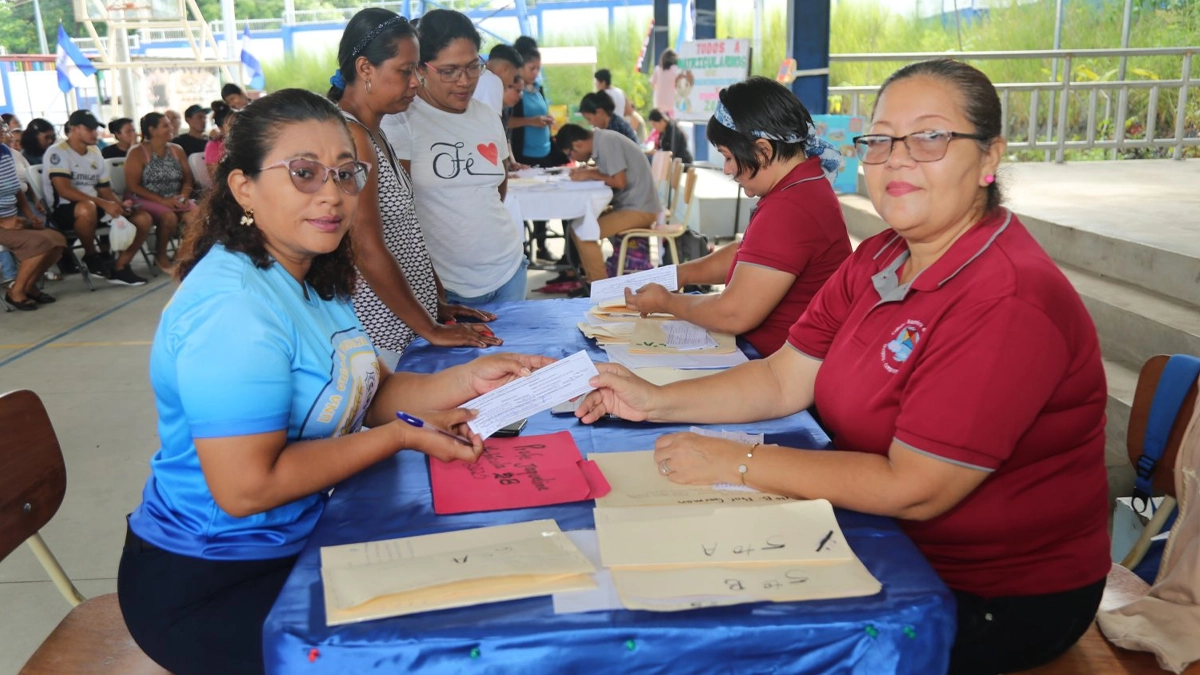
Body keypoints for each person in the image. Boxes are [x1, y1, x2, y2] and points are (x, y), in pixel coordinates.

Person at [576, 59, 1110, 675]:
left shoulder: (1008, 299)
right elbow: (782, 377)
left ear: (989, 159)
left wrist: (737, 462)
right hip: (878, 530)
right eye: (881, 140)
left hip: (986, 591)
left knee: (717, 645)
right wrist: (652, 399)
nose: (897, 159)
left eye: (930, 137)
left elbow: (915, 488)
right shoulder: (881, 257)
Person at [115, 87, 548, 675]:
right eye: (304, 173)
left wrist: (471, 378)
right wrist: (400, 437)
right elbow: (246, 489)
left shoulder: (308, 273)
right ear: (243, 187)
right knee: (439, 647)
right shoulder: (235, 309)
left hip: (295, 541)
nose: (334, 195)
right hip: (215, 580)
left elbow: (369, 393)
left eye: (347, 175)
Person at [625, 78, 850, 356]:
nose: (728, 169)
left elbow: (733, 313)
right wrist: (677, 275)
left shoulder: (790, 207)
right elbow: (747, 255)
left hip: (777, 364)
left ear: (763, 150)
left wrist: (667, 302)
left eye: (729, 157)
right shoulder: (800, 185)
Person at [330, 8, 501, 366]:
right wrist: (431, 328)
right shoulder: (351, 135)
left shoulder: (375, 131)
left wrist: (435, 300)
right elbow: (367, 248)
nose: (415, 83)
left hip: (407, 322)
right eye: (406, 71)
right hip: (382, 332)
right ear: (365, 69)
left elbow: (403, 234)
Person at [381, 9, 527, 306]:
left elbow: (497, 186)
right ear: (420, 68)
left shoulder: (486, 116)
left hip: (509, 271)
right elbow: (399, 216)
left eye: (473, 67)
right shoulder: (401, 121)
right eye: (449, 71)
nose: (465, 81)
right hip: (447, 287)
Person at [43, 110, 152, 285]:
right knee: (87, 207)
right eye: (90, 129)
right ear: (75, 129)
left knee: (143, 218)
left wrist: (119, 204)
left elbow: (104, 189)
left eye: (96, 128)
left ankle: (121, 266)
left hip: (95, 205)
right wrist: (105, 203)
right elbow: (64, 190)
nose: (96, 133)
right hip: (64, 210)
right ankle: (91, 256)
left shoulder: (94, 152)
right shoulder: (57, 152)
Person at [556, 123, 660, 286]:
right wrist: (589, 170)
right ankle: (592, 279)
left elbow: (619, 181)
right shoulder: (602, 141)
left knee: (585, 232)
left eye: (571, 154)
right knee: (578, 227)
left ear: (578, 145)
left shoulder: (606, 142)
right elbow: (613, 172)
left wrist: (589, 173)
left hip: (640, 209)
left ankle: (601, 287)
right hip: (633, 205)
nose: (573, 159)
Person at [124, 111, 197, 269]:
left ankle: (182, 254)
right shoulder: (137, 153)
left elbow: (187, 179)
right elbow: (133, 186)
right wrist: (164, 201)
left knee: (196, 216)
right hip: (145, 198)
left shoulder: (177, 150)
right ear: (152, 130)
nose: (171, 128)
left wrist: (184, 196)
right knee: (168, 216)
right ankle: (160, 254)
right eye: (165, 125)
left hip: (174, 197)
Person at [0, 141, 66, 309]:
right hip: (3, 223)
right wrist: (3, 222)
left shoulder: (5, 152)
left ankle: (29, 286)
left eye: (2, 126)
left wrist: (30, 217)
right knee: (39, 243)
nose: (2, 131)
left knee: (57, 239)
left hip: (12, 219)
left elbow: (17, 189)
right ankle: (16, 291)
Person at [473, 44, 522, 116]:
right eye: (513, 76)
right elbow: (492, 124)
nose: (511, 82)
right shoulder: (493, 81)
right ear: (505, 68)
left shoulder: (476, 76)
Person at [205, 103, 236, 181]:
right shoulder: (213, 145)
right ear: (220, 128)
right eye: (231, 125)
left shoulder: (247, 139)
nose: (237, 127)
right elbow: (216, 177)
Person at [650, 49, 679, 118]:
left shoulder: (658, 69)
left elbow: (652, 84)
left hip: (658, 103)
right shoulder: (676, 69)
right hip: (672, 103)